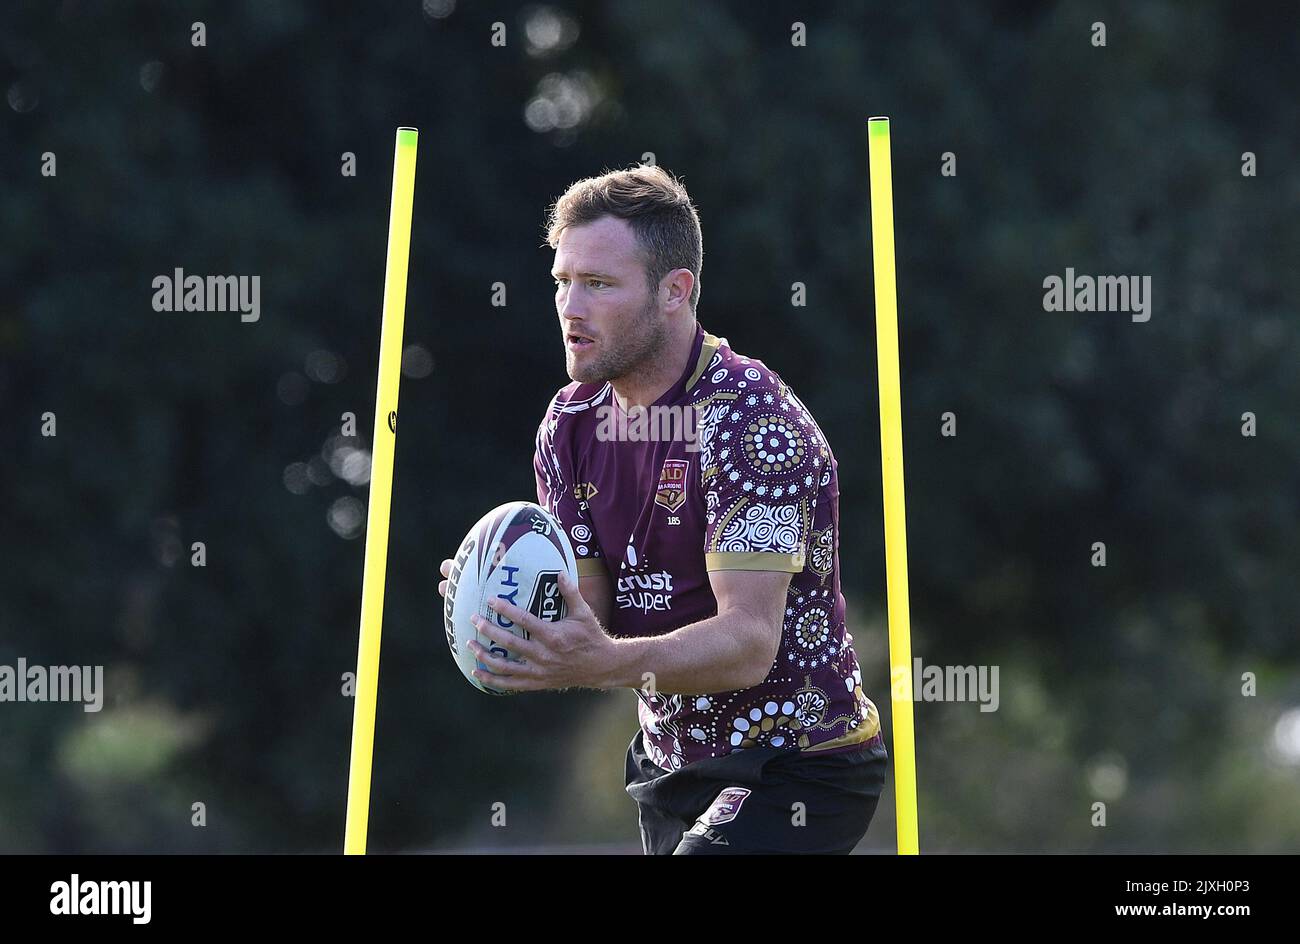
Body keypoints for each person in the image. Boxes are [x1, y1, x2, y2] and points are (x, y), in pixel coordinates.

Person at [438, 165, 887, 854]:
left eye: (599, 283)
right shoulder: (570, 425)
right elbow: (592, 616)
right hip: (669, 769)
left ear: (675, 291)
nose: (570, 307)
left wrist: (596, 663)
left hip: (796, 765)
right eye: (562, 281)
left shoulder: (751, 423)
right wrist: (511, 611)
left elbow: (748, 644)